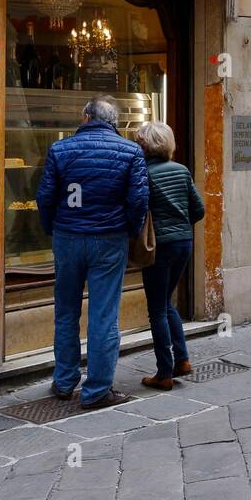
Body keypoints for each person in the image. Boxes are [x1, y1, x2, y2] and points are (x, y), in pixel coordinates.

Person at [37, 95, 148, 409]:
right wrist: (128, 230)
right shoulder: (131, 151)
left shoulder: (59, 149)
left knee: (66, 310)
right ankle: (97, 389)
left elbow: (45, 197)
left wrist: (53, 228)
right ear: (113, 122)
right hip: (109, 239)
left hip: (67, 237)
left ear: (86, 117)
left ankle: (64, 381)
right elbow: (139, 200)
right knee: (104, 314)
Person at [135, 121, 205, 391]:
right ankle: (183, 360)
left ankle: (164, 372)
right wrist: (180, 223)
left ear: (146, 145)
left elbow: (137, 208)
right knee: (167, 303)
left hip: (158, 247)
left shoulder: (143, 174)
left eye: (139, 141)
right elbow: (198, 210)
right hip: (183, 243)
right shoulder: (181, 170)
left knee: (156, 310)